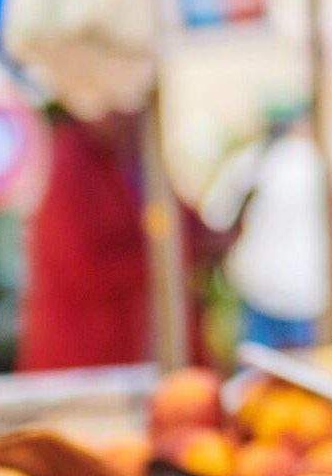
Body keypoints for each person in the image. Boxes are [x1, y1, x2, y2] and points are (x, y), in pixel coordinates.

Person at [18, 106, 217, 371]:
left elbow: (174, 220)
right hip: (85, 362)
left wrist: (203, 239)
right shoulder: (72, 163)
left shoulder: (133, 161)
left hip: (131, 355)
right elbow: (88, 267)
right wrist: (185, 249)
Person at [215, 104, 328, 349]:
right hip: (306, 291)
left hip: (261, 287)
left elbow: (218, 219)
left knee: (257, 378)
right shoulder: (315, 161)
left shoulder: (250, 160)